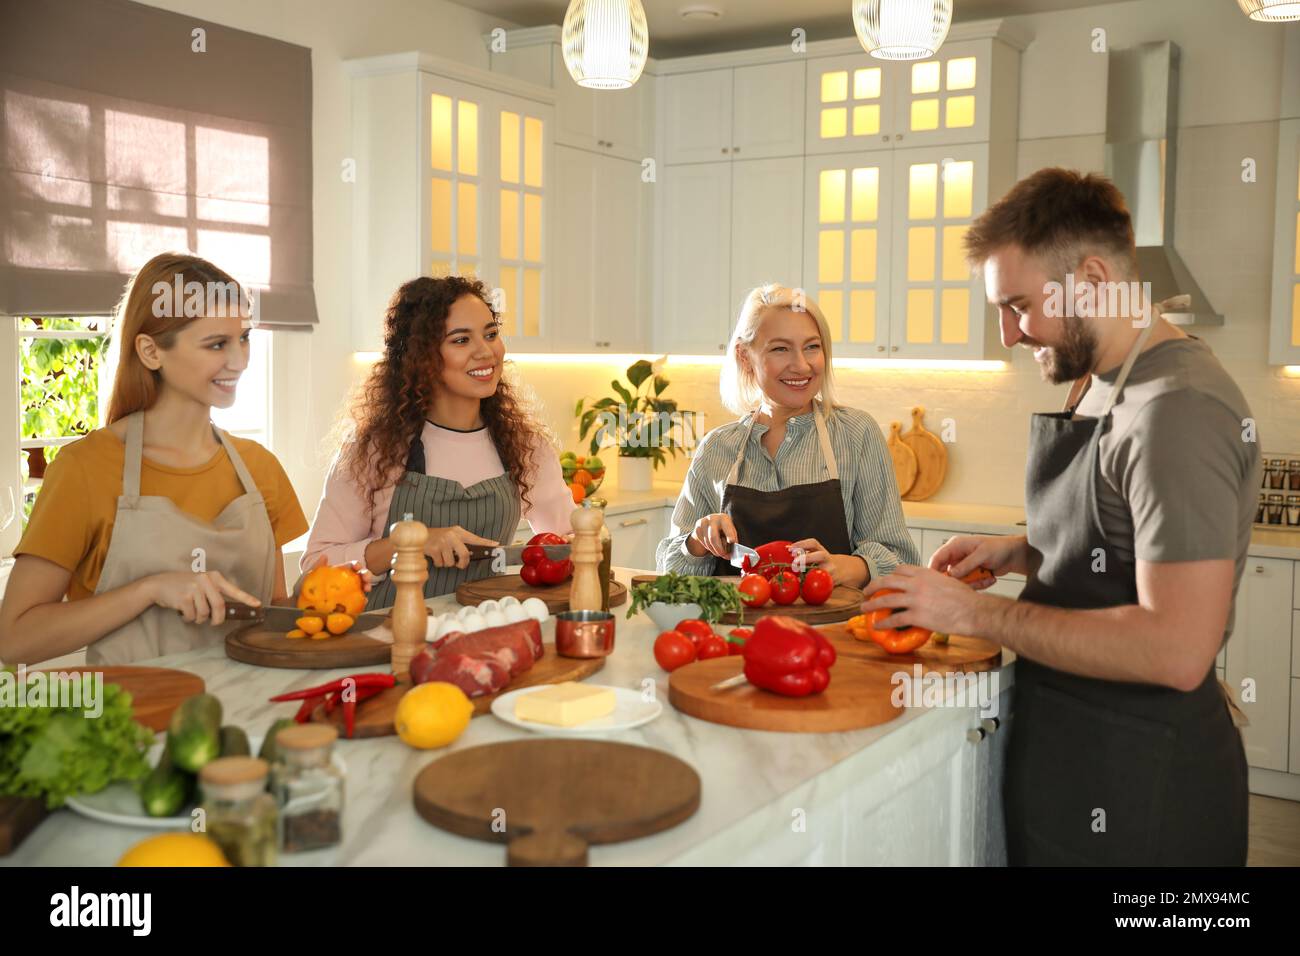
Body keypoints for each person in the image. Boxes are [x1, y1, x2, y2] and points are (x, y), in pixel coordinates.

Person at [861, 168, 1257, 865]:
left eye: (1018, 305)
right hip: (1081, 752)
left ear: (1094, 278)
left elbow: (1175, 647)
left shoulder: (1177, 410)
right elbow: (1123, 536)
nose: (1010, 333)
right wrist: (1025, 550)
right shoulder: (1107, 380)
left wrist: (975, 614)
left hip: (1145, 786)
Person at [0, 253, 308, 666]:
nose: (239, 361)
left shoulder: (260, 468)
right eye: (217, 343)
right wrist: (149, 590)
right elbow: (15, 639)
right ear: (150, 351)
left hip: (246, 722)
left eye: (244, 338)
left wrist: (314, 603)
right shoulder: (84, 471)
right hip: (132, 722)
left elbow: (269, 615)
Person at [303, 275, 573, 607]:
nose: (485, 352)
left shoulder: (524, 445)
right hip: (386, 638)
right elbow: (315, 568)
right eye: (461, 340)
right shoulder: (373, 449)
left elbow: (570, 540)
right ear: (421, 356)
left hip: (483, 631)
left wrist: (582, 546)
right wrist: (407, 544)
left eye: (491, 334)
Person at [657, 284, 917, 583]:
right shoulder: (717, 447)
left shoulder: (856, 434)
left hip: (830, 628)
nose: (802, 365)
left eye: (812, 347)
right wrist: (697, 542)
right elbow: (671, 574)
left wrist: (845, 567)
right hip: (738, 627)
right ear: (744, 357)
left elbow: (902, 561)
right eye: (781, 348)